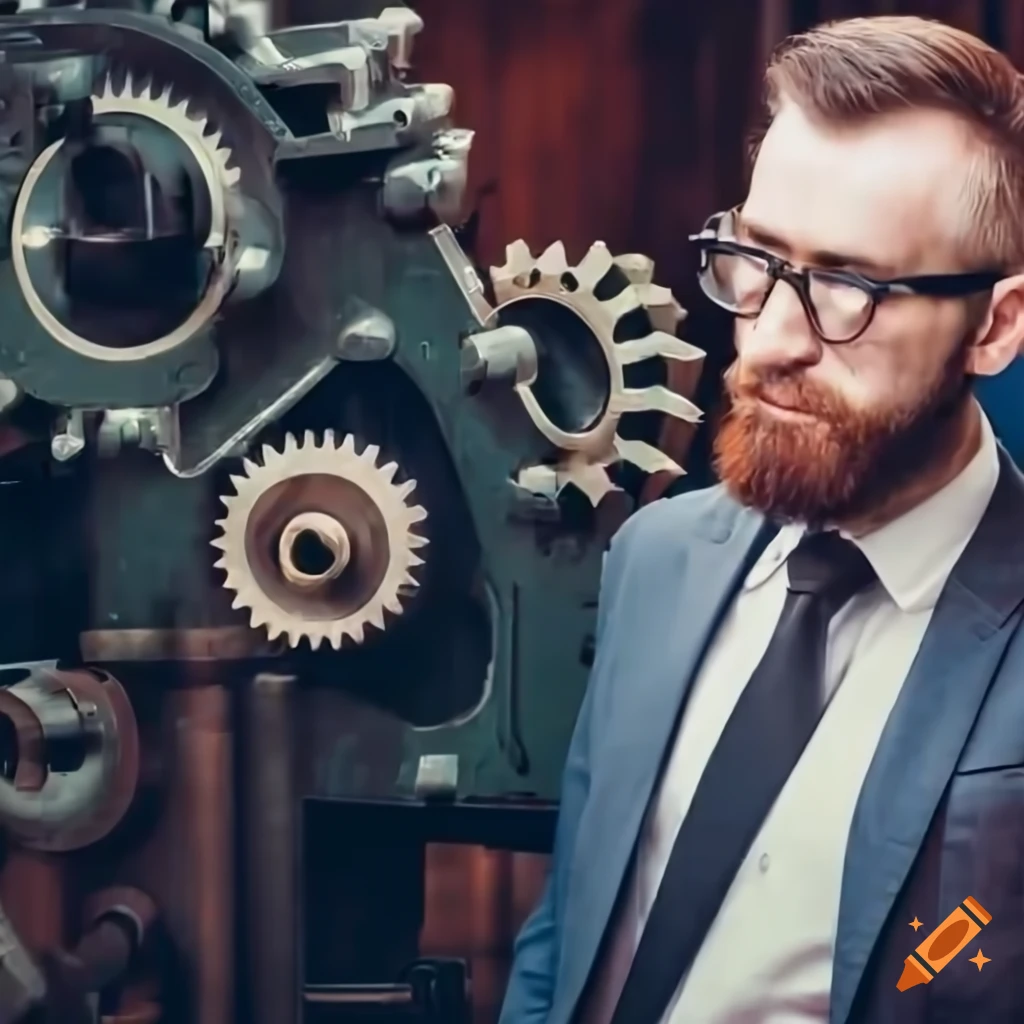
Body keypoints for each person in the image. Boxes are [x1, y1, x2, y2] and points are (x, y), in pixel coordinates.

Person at [499, 15, 1024, 1024]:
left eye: (847, 287)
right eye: (755, 257)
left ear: (994, 327)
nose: (771, 339)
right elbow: (567, 936)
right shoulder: (654, 557)